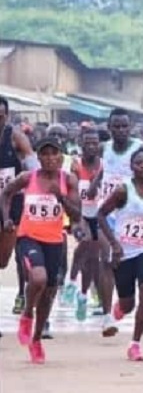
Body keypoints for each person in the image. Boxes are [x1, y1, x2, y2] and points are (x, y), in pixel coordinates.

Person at [0, 137, 81, 364]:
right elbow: (5, 193)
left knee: (49, 293)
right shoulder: (28, 177)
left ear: (61, 157)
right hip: (28, 237)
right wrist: (6, 219)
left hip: (54, 241)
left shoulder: (69, 180)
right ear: (38, 157)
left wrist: (60, 197)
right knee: (38, 278)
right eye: (45, 154)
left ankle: (36, 340)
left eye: (54, 153)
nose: (49, 158)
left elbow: (77, 215)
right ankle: (27, 314)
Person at [98, 148, 143, 362]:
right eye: (139, 163)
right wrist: (114, 243)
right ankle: (120, 307)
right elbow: (101, 214)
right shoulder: (123, 190)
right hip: (124, 253)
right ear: (132, 166)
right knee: (128, 304)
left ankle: (135, 343)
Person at [91, 108, 143, 337]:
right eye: (116, 126)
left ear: (130, 127)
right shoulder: (104, 148)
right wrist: (95, 183)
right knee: (106, 259)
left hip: (131, 215)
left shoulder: (139, 148)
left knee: (125, 265)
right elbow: (104, 169)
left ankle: (122, 304)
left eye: (125, 126)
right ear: (109, 128)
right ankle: (107, 317)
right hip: (107, 214)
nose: (121, 130)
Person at [0, 96, 39, 318]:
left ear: (6, 116)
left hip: (13, 201)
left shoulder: (15, 137)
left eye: (0, 116)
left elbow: (32, 161)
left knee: (7, 258)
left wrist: (37, 184)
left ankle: (22, 292)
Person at [66, 128, 104, 322]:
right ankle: (72, 282)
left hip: (99, 216)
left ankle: (83, 294)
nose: (91, 146)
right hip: (81, 215)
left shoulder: (104, 165)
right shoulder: (76, 165)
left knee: (93, 258)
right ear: (81, 144)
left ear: (99, 145)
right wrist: (75, 219)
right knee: (85, 248)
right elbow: (71, 192)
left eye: (94, 143)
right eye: (87, 142)